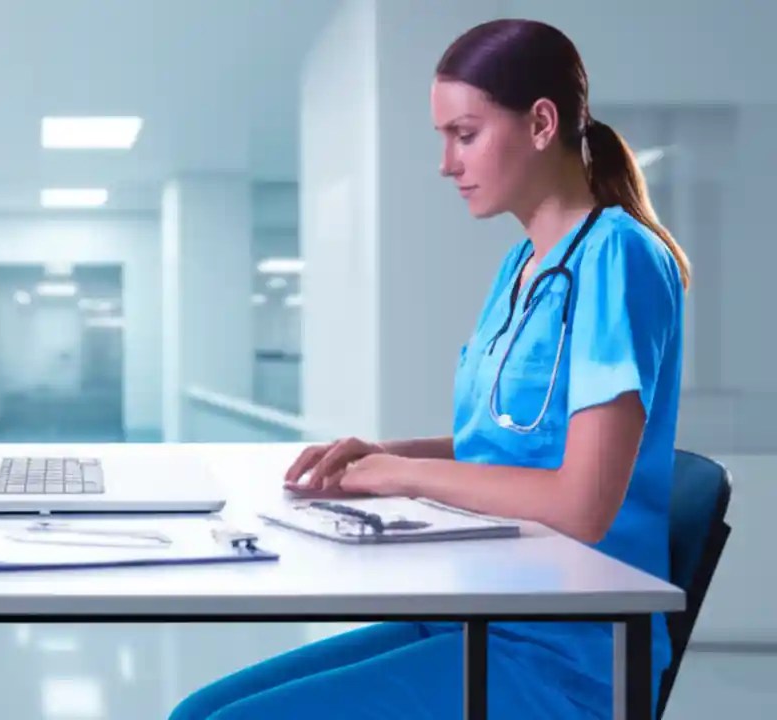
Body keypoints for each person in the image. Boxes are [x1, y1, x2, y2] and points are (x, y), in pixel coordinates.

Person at [170, 18, 690, 720]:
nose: (447, 162)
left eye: (465, 134)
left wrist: (404, 475)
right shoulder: (524, 266)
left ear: (541, 122)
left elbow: (581, 502)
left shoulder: (618, 258)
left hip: (565, 653)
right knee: (198, 711)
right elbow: (512, 444)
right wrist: (385, 452)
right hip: (478, 611)